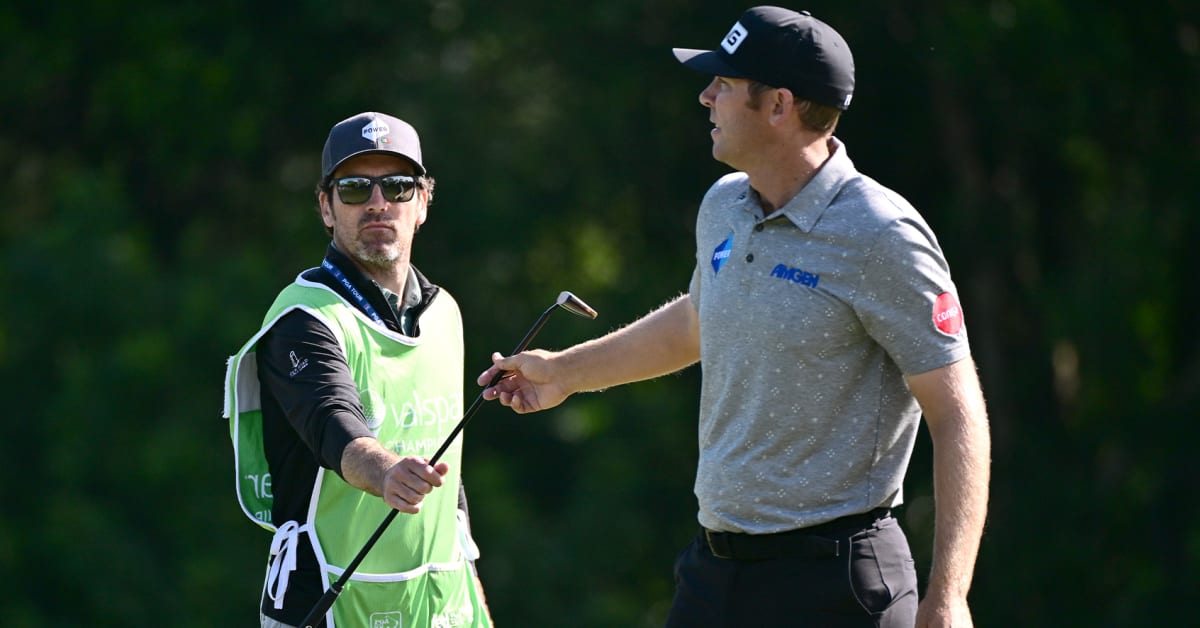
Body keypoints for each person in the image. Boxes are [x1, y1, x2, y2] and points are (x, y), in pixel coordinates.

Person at [478, 7, 990, 628]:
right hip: (714, 575)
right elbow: (699, 320)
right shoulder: (724, 205)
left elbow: (956, 411)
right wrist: (563, 372)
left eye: (723, 84)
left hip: (837, 583)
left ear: (778, 105)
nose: (705, 95)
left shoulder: (882, 234)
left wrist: (950, 596)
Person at [224, 112, 492, 628]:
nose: (377, 203)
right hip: (328, 597)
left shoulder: (444, 314)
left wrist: (474, 591)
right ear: (326, 207)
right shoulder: (303, 317)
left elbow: (447, 470)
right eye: (353, 188)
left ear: (423, 203)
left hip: (443, 599)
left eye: (396, 186)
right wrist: (388, 471)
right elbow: (334, 425)